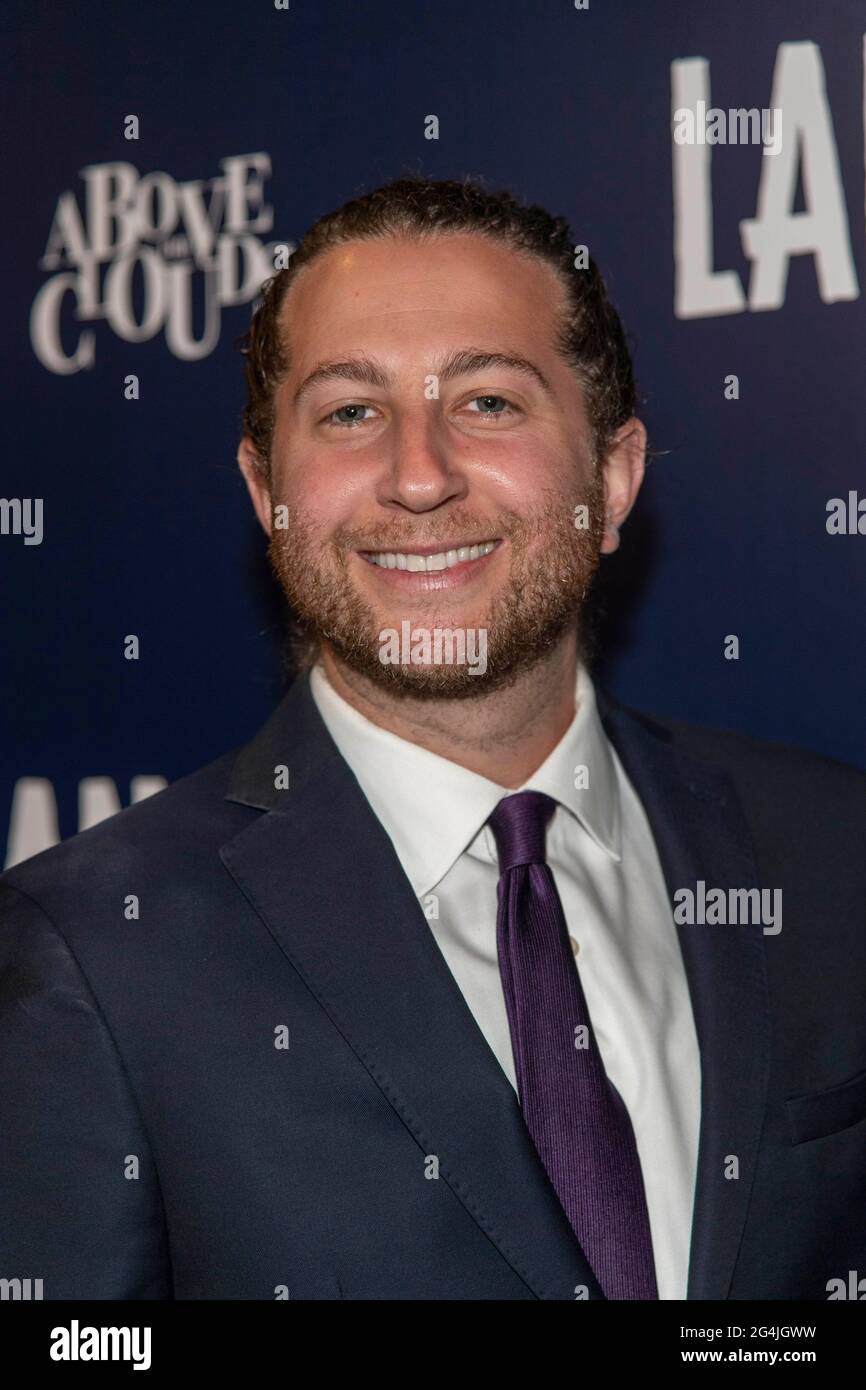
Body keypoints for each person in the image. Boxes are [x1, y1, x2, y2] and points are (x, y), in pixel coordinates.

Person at [2, 177, 865, 1302]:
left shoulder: (831, 853)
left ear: (610, 478)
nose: (418, 476)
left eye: (489, 401)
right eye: (350, 412)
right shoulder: (90, 953)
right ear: (266, 493)